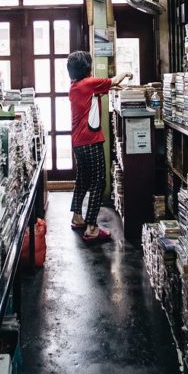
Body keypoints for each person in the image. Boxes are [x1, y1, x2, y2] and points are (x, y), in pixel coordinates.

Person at [67, 50, 131, 242]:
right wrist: (125, 73)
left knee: (83, 179)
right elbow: (114, 80)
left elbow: (103, 89)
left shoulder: (75, 86)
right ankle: (92, 227)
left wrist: (112, 86)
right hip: (91, 140)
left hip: (78, 142)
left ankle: (77, 217)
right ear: (86, 67)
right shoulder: (89, 83)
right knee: (98, 181)